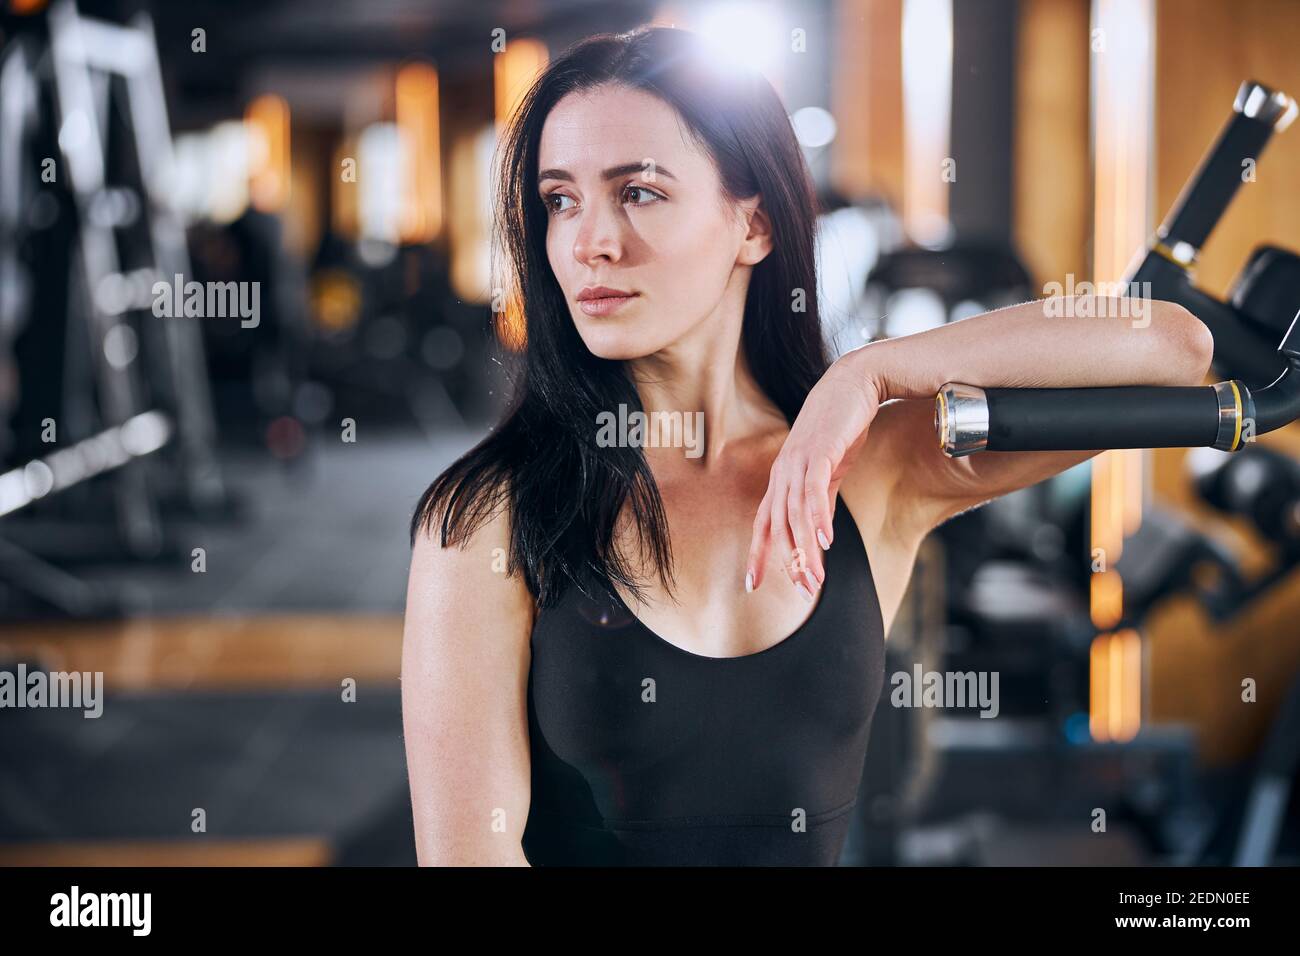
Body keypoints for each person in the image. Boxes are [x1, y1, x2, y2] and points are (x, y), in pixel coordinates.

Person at [400, 26, 1213, 866]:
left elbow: (1173, 349)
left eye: (637, 192)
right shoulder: (489, 517)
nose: (586, 241)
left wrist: (870, 375)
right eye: (561, 199)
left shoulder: (876, 470)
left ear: (752, 226)